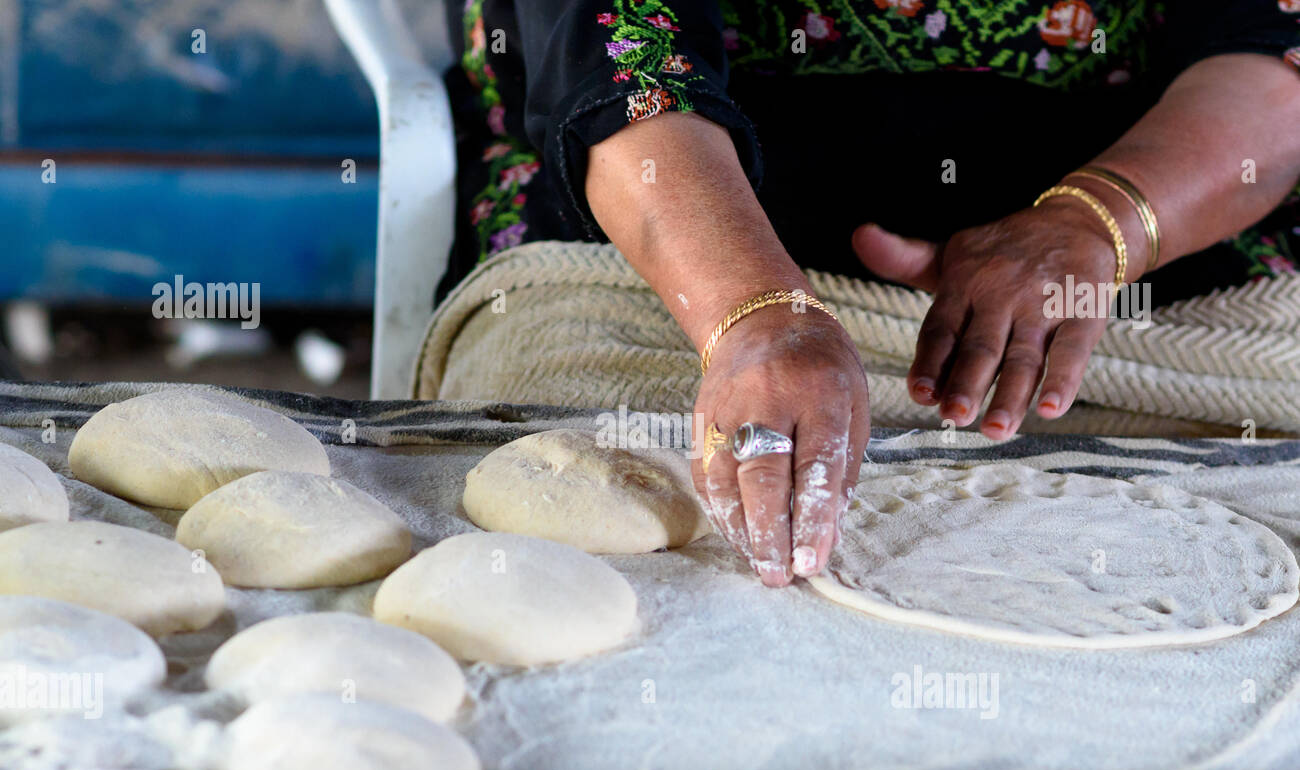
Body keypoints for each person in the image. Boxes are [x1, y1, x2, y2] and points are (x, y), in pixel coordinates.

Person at [441, 0, 1300, 586]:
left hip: (1130, 272)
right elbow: (626, 58)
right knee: (587, 512)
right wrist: (756, 315)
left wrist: (1097, 224)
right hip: (674, 261)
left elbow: (1271, 54)